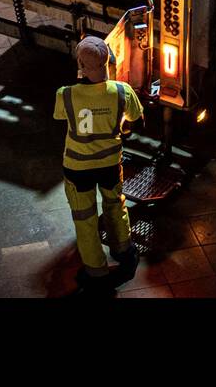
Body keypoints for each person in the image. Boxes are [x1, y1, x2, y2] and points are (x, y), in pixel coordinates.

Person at [53, 36, 144, 290]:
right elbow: (135, 117)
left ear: (80, 63)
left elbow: (60, 116)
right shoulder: (121, 91)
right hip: (109, 164)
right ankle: (124, 250)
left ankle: (96, 271)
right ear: (108, 60)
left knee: (85, 218)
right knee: (115, 204)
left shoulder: (66, 95)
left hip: (77, 168)